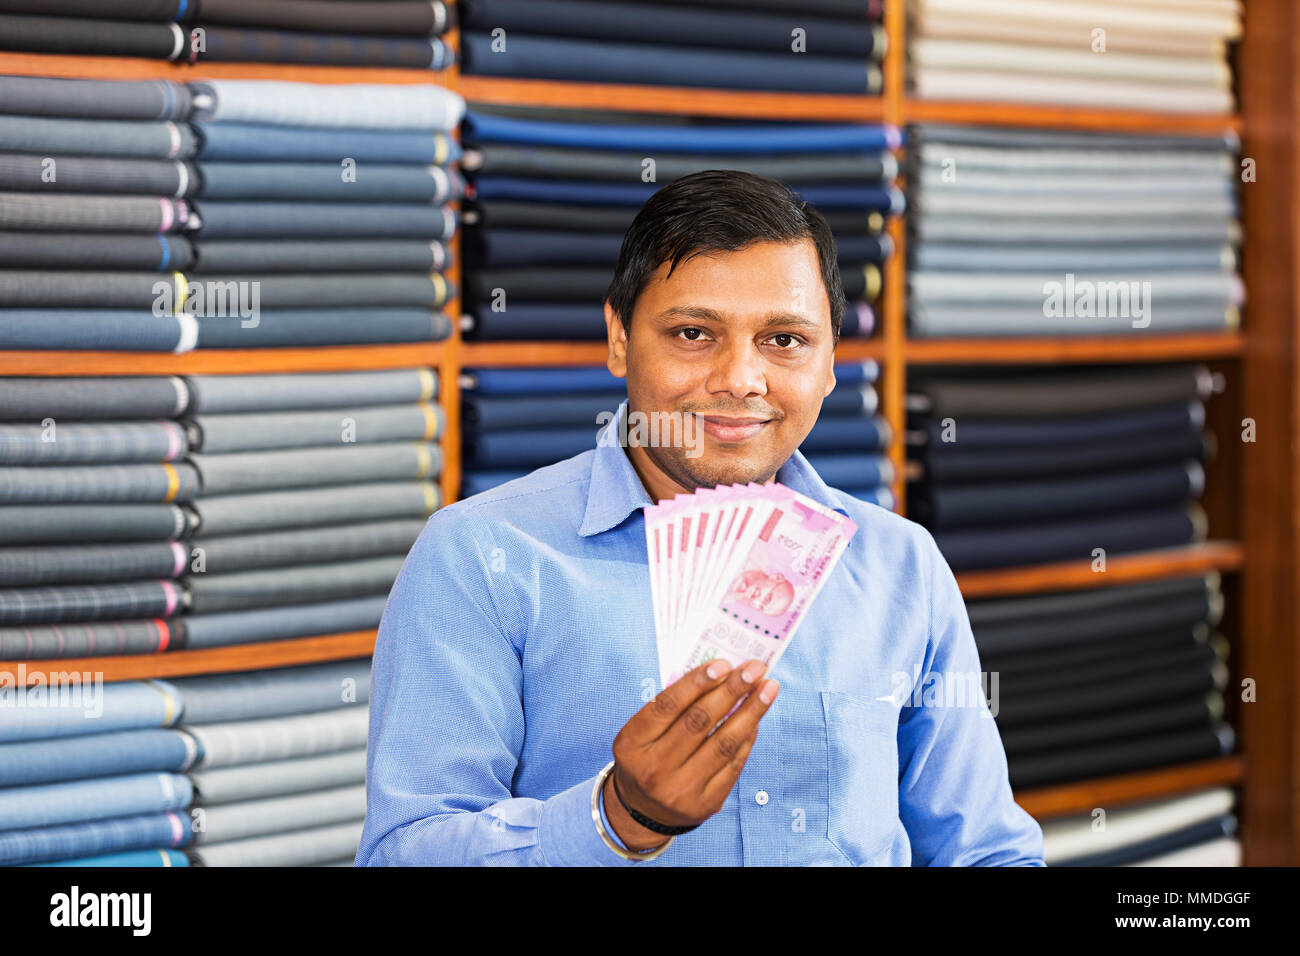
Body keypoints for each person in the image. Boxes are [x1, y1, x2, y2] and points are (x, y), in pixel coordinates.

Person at [356, 170, 1045, 866]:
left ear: (833, 360)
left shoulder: (903, 564)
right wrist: (618, 818)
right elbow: (404, 853)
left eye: (785, 340)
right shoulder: (481, 556)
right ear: (619, 337)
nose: (740, 379)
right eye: (693, 332)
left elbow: (986, 851)